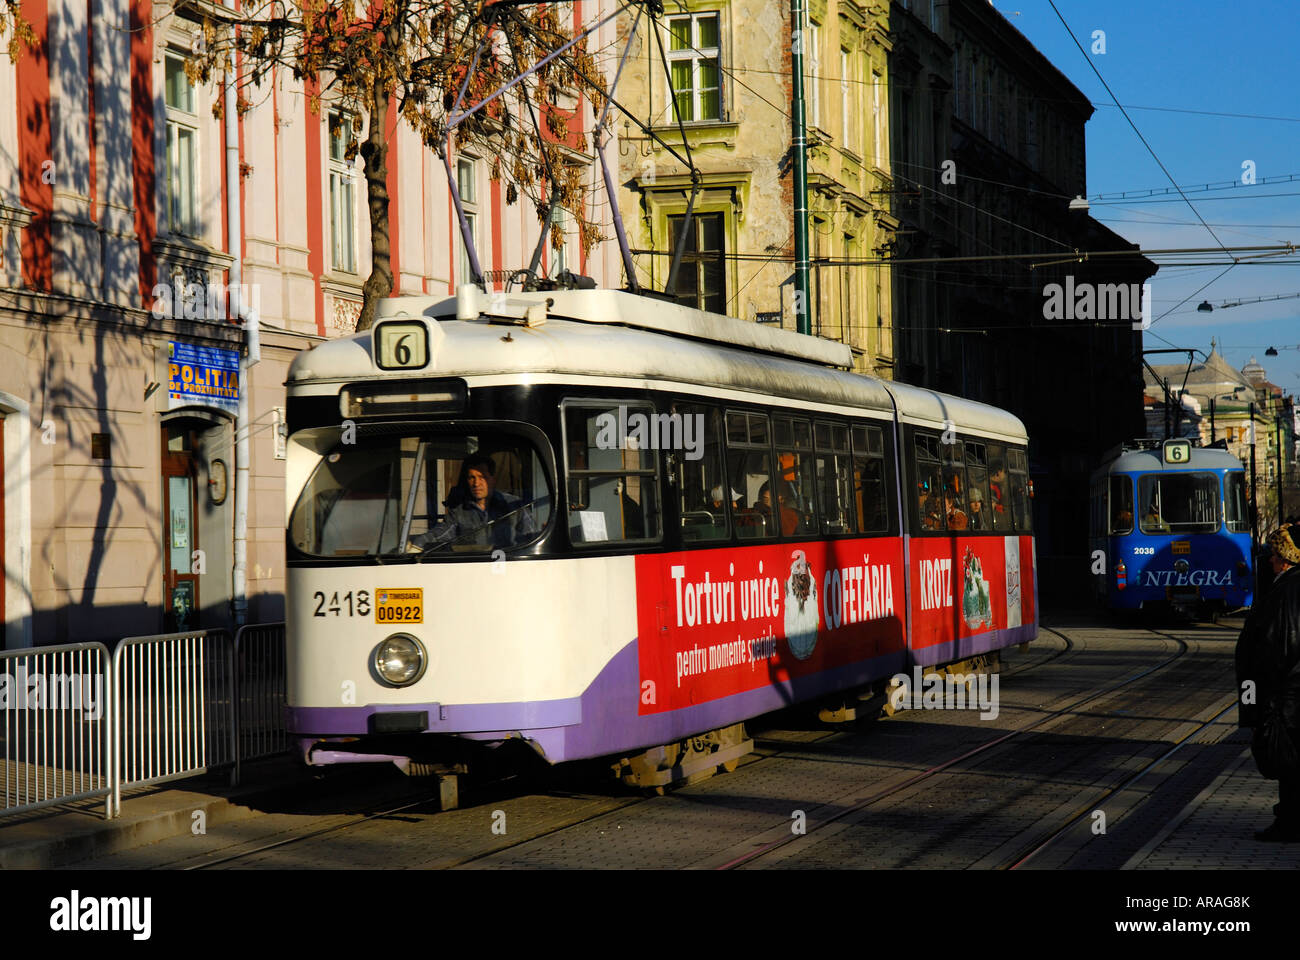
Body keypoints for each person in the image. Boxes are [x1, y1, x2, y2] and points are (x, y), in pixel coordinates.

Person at [1235, 524, 1300, 841]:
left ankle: (1290, 822)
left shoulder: (1286, 590)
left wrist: (1267, 694)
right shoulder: (1289, 586)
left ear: (1285, 559)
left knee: (1288, 761)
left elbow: (1277, 645)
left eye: (1274, 555)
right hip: (1291, 690)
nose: (1269, 561)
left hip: (1287, 693)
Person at [410, 453, 535, 551]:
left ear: (492, 479)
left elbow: (529, 540)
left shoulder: (515, 506)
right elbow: (441, 532)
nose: (476, 484)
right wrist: (418, 543)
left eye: (482, 477)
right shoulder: (460, 511)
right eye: (472, 477)